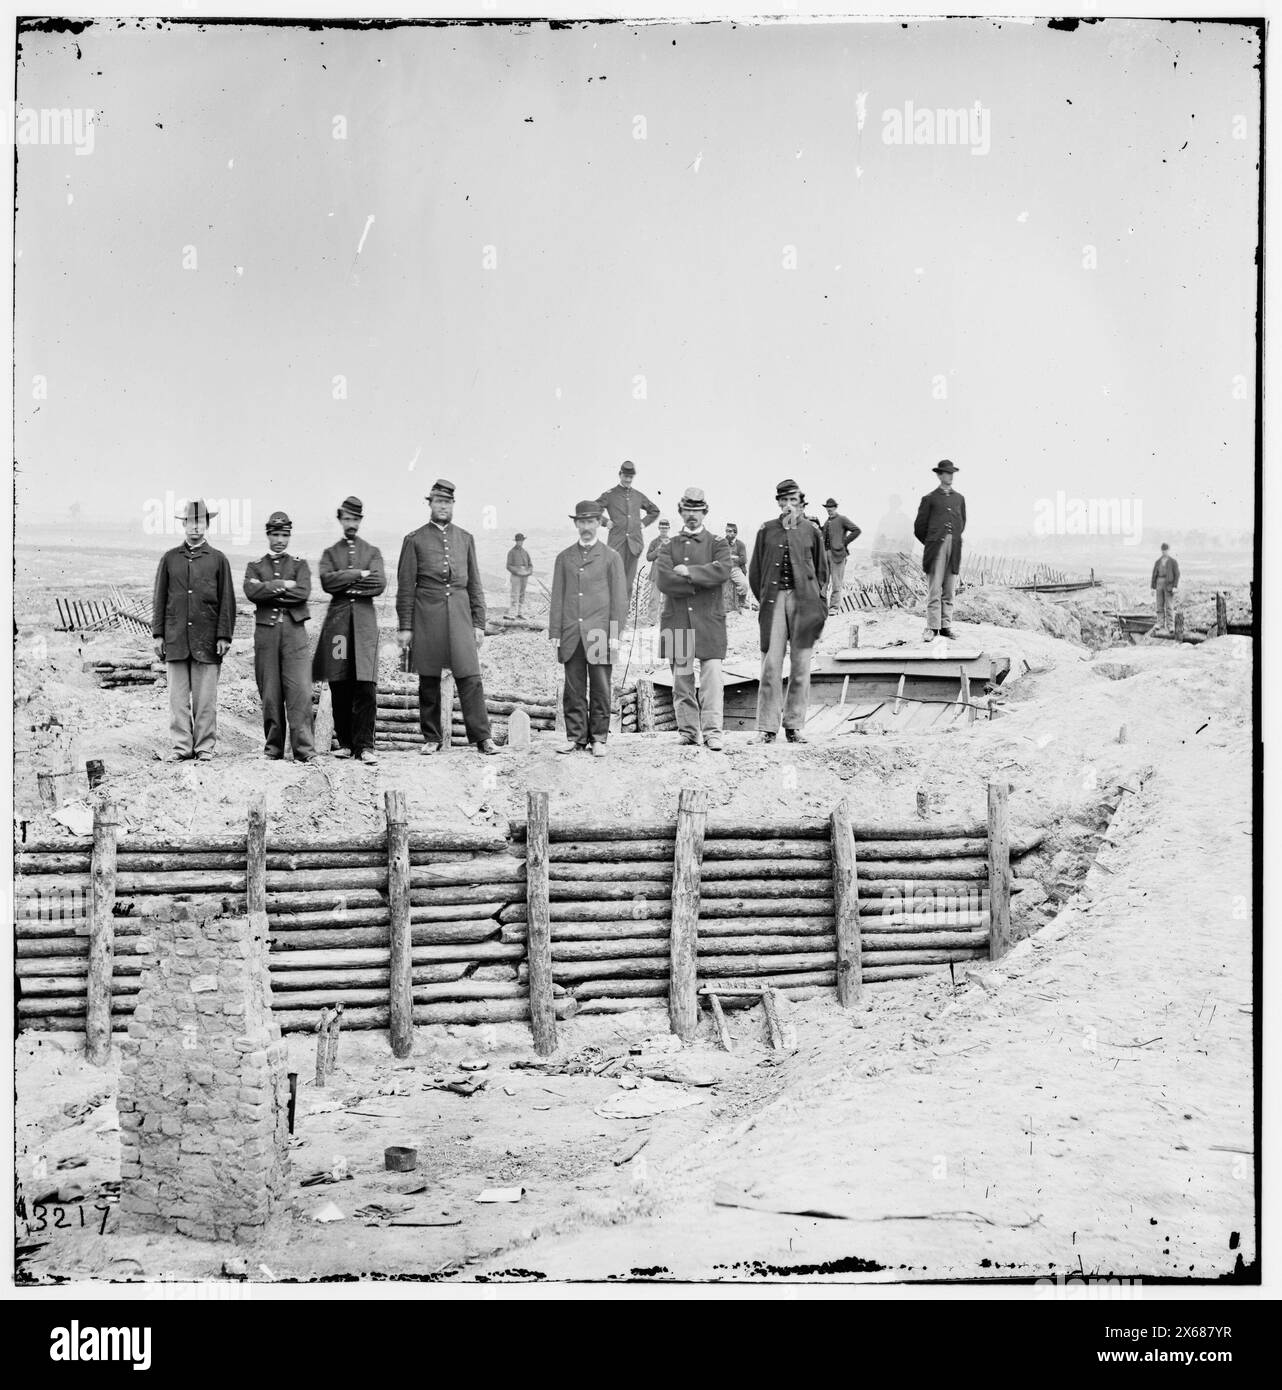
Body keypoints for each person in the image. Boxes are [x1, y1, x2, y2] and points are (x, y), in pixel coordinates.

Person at [396, 479, 499, 756]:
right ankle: (432, 738)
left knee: (470, 676)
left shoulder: (465, 539)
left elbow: (474, 584)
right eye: (438, 502)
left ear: (453, 505)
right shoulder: (414, 540)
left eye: (448, 502)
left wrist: (479, 623)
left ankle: (482, 738)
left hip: (461, 616)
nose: (443, 507)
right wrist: (405, 626)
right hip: (427, 616)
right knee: (428, 678)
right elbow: (406, 587)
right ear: (430, 504)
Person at [152, 498, 236, 761]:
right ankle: (181, 748)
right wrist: (158, 635)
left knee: (205, 701)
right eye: (190, 522)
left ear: (207, 524)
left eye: (200, 522)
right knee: (177, 701)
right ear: (184, 525)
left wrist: (223, 635)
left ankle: (204, 748)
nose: (195, 528)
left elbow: (227, 601)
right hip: (176, 639)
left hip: (207, 641)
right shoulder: (169, 559)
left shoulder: (218, 560)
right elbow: (159, 598)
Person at [748, 479, 828, 744]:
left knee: (802, 665)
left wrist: (817, 603)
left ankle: (794, 726)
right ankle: (767, 728)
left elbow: (821, 572)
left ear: (800, 503)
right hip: (774, 602)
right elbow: (755, 572)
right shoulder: (766, 531)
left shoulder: (811, 531)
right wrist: (770, 600)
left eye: (793, 500)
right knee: (771, 664)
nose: (788, 506)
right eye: (784, 501)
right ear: (779, 503)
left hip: (804, 603)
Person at [657, 488, 734, 751]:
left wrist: (688, 572)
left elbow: (723, 570)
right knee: (682, 681)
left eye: (697, 511)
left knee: (712, 679)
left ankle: (713, 732)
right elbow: (664, 580)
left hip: (710, 622)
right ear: (680, 512)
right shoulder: (669, 546)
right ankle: (689, 732)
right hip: (677, 621)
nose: (692, 515)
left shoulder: (718, 543)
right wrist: (701, 580)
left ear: (705, 512)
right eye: (687, 510)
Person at [549, 500, 628, 756]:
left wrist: (615, 634)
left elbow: (619, 600)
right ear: (576, 524)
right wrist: (555, 632)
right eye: (582, 522)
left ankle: (598, 739)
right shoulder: (564, 558)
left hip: (600, 634)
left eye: (591, 522)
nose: (586, 527)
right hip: (571, 633)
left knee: (600, 688)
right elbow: (558, 598)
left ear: (599, 524)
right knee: (573, 689)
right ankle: (575, 737)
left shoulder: (611, 558)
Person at [313, 496, 386, 764]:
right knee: (340, 683)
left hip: (365, 627)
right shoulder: (330, 554)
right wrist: (359, 575)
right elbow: (327, 582)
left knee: (365, 685)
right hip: (339, 628)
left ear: (360, 520)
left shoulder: (373, 552)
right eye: (347, 518)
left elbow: (379, 583)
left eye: (355, 519)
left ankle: (365, 746)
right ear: (341, 520)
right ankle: (344, 743)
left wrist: (345, 581)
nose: (351, 523)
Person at [243, 510, 314, 761]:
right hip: (266, 634)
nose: (280, 540)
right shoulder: (255, 566)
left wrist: (268, 590)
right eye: (275, 534)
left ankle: (304, 751)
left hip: (295, 633)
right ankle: (273, 749)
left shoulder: (299, 565)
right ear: (268, 535)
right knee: (270, 693)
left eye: (284, 534)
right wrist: (284, 585)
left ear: (289, 536)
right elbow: (252, 592)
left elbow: (303, 592)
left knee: (300, 691)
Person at [913, 461, 966, 641]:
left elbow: (962, 523)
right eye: (946, 473)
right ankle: (932, 627)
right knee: (935, 588)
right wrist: (932, 542)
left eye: (952, 473)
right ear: (939, 475)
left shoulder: (959, 498)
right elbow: (919, 528)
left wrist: (952, 539)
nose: (950, 476)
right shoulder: (929, 499)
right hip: (936, 548)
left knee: (949, 589)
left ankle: (945, 626)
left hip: (954, 546)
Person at [596, 459, 660, 602]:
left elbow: (654, 511)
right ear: (620, 475)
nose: (628, 480)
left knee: (628, 585)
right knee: (613, 582)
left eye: (630, 477)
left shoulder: (638, 495)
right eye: (625, 476)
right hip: (616, 544)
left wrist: (642, 524)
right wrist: (606, 522)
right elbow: (593, 510)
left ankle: (621, 622)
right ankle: (613, 623)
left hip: (634, 545)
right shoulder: (609, 494)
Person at [821, 498, 862, 615]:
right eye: (827, 507)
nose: (829, 509)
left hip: (838, 555)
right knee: (823, 582)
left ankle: (833, 608)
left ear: (835, 507)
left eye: (832, 507)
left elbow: (856, 530)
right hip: (825, 555)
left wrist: (844, 542)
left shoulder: (842, 519)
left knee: (836, 582)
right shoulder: (827, 521)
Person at [645, 519, 672, 624]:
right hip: (656, 575)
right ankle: (651, 620)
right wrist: (658, 550)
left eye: (665, 528)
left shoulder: (672, 542)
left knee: (667, 600)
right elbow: (648, 557)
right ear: (659, 529)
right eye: (662, 528)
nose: (664, 530)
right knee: (654, 599)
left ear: (668, 529)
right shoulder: (654, 542)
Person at [1151, 542, 1180, 632]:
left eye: (1166, 550)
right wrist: (1152, 587)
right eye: (1163, 551)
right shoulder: (1158, 562)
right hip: (1159, 582)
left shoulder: (1173, 562)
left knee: (1169, 606)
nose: (1164, 552)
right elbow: (1154, 575)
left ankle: (1170, 625)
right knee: (1159, 605)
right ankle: (1160, 623)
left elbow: (1177, 574)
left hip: (1169, 585)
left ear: (1168, 550)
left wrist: (1175, 586)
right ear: (1161, 551)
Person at [722, 521, 750, 614]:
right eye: (726, 531)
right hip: (723, 568)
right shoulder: (721, 542)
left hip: (735, 569)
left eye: (730, 531)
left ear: (735, 532)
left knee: (744, 585)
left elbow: (743, 560)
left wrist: (732, 557)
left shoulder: (740, 544)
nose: (728, 533)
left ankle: (741, 602)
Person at [506, 532, 533, 618]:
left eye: (521, 541)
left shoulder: (525, 552)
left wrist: (528, 572)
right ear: (516, 541)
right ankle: (512, 614)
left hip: (524, 576)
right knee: (515, 594)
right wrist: (518, 571)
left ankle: (520, 613)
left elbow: (530, 565)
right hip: (516, 576)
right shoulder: (511, 552)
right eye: (518, 541)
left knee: (522, 594)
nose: (520, 542)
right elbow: (508, 565)